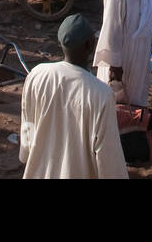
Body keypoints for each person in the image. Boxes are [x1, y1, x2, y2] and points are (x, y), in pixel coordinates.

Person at [19, 14, 128, 179]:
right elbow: (108, 153)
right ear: (90, 45)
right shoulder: (101, 93)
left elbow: (28, 124)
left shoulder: (37, 75)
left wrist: (27, 154)